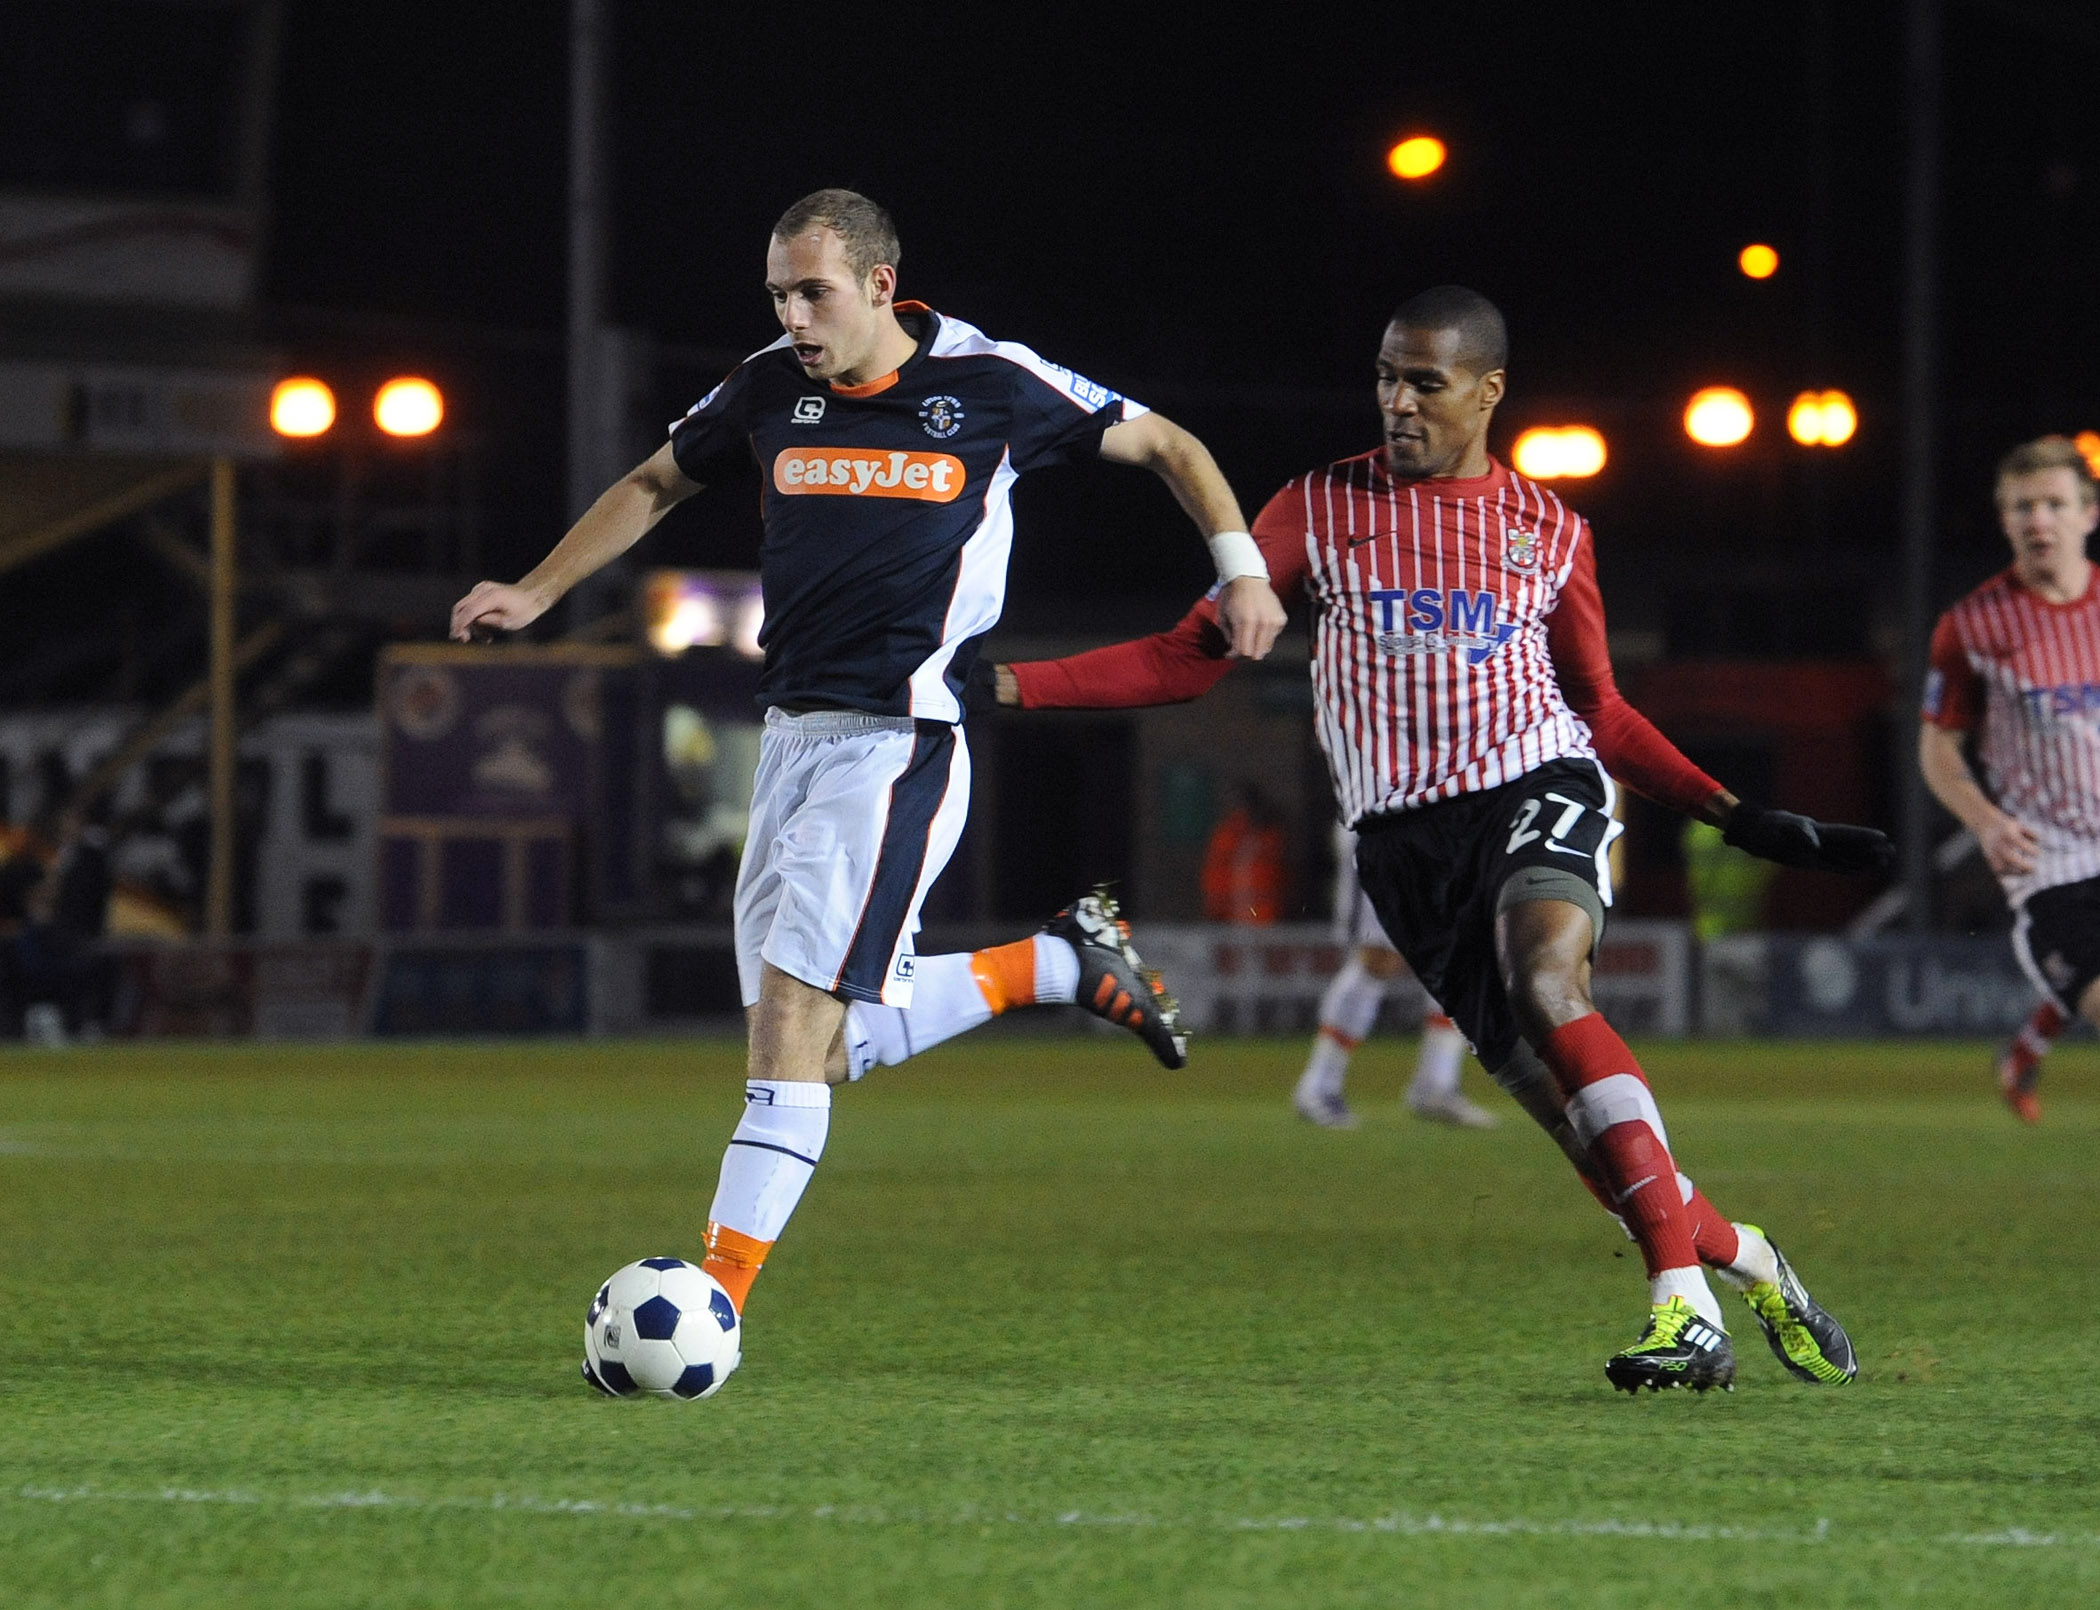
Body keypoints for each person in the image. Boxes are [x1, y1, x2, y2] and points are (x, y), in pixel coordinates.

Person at [980, 286, 1889, 1392]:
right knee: (1582, 1135)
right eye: (1384, 377)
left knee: (1550, 985)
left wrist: (1737, 816)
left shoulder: (1550, 529)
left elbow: (1598, 711)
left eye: (1425, 382)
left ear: (1488, 390)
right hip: (1403, 850)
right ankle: (1752, 1261)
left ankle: (1680, 1310)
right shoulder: (1316, 508)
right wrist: (1003, 684)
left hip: (1535, 783)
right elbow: (1190, 654)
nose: (1397, 402)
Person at [451, 190, 1287, 1350]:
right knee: (819, 1049)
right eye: (780, 295)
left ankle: (713, 1307)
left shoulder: (992, 383)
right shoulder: (765, 385)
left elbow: (1170, 445)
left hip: (898, 743)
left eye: (815, 292)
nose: (794, 316)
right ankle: (1053, 962)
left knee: (792, 1022)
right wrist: (536, 590)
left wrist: (1239, 571)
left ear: (883, 286)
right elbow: (653, 482)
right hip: (790, 740)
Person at [1920, 435, 2100, 1125]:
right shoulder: (1973, 626)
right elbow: (1937, 746)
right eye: (2023, 507)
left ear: (2088, 514)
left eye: (2054, 504)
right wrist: (1986, 821)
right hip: (2052, 867)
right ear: (2005, 519)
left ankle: (2023, 1051)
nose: (2038, 520)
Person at [1294, 823, 1494, 1129]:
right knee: (1378, 959)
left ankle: (1436, 1085)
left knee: (1458, 955)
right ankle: (1319, 1086)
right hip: (1383, 821)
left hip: (1445, 824)